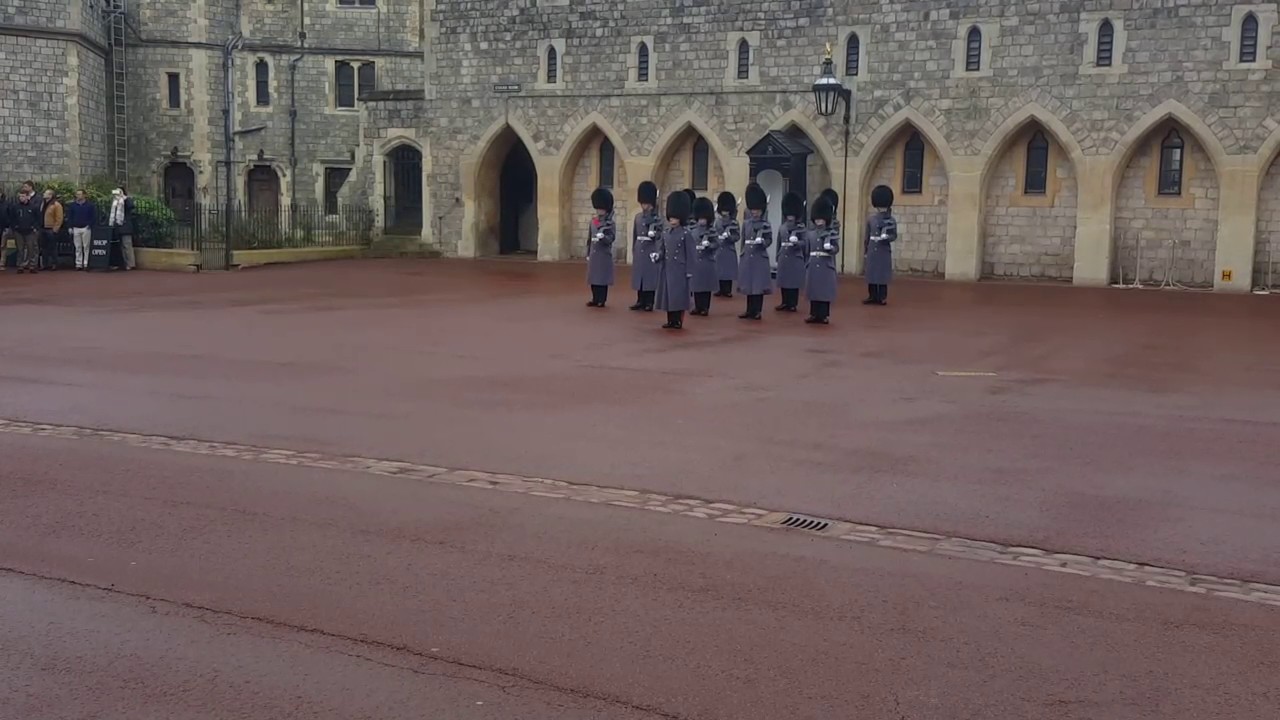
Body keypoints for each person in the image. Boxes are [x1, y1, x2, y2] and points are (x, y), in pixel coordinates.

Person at [653, 190, 694, 330]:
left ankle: (678, 320)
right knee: (668, 296)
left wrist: (689, 271)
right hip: (667, 268)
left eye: (674, 217)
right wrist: (657, 256)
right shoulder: (666, 233)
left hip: (680, 270)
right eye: (670, 217)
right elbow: (662, 250)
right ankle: (670, 319)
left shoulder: (686, 234)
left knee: (678, 297)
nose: (672, 220)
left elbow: (690, 254)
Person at [737, 183, 772, 320]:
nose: (754, 212)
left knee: (758, 286)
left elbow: (769, 240)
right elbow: (743, 240)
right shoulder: (747, 223)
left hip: (759, 256)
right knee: (749, 286)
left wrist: (762, 242)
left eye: (757, 210)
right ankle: (749, 310)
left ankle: (757, 311)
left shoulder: (766, 224)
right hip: (748, 256)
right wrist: (742, 254)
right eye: (753, 210)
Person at [804, 194, 840, 324]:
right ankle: (814, 314)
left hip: (825, 264)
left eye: (821, 220)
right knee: (814, 290)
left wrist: (830, 248)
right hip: (813, 263)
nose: (819, 222)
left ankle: (824, 315)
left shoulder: (831, 233)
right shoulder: (810, 234)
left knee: (824, 291)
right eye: (817, 220)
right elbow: (807, 251)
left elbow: (836, 249)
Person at [630, 181, 661, 311]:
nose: (644, 206)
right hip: (640, 249)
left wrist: (654, 235)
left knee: (650, 277)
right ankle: (640, 300)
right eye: (643, 203)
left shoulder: (657, 219)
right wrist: (634, 249)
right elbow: (635, 235)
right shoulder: (638, 218)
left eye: (647, 203)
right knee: (640, 276)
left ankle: (649, 301)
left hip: (650, 249)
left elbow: (661, 237)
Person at [864, 184, 897, 306]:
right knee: (872, 273)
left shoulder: (891, 220)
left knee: (882, 274)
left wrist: (887, 237)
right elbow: (867, 236)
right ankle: (872, 296)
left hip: (883, 249)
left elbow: (894, 235)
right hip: (873, 248)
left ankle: (882, 297)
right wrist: (866, 251)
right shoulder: (871, 219)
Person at [774, 192, 806, 312]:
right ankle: (784, 302)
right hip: (784, 256)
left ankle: (792, 303)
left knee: (793, 282)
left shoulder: (801, 227)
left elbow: (805, 242)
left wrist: (797, 243)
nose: (790, 217)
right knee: (784, 280)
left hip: (795, 256)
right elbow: (779, 242)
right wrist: (777, 256)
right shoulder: (782, 227)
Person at [585, 187, 616, 307]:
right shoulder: (593, 222)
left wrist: (603, 237)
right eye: (598, 208)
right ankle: (595, 297)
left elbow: (611, 239)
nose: (599, 211)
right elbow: (589, 239)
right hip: (594, 252)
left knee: (602, 278)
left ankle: (601, 299)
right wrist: (587, 253)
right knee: (593, 277)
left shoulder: (610, 223)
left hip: (603, 253)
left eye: (601, 208)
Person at [689, 196, 718, 316]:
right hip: (696, 260)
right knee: (696, 286)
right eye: (700, 218)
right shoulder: (692, 230)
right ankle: (697, 306)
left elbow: (717, 243)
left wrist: (709, 245)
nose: (702, 221)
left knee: (706, 287)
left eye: (704, 219)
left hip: (707, 260)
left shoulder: (712, 231)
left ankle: (705, 307)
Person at [712, 192, 739, 298]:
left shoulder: (734, 223)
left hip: (729, 248)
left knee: (728, 271)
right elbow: (713, 233)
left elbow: (737, 237)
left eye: (727, 211)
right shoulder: (717, 222)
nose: (725, 213)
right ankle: (719, 289)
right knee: (719, 270)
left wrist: (729, 237)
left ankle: (727, 290)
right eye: (723, 210)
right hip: (719, 248)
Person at [10, 188, 42, 274]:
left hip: (30, 231)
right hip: (18, 231)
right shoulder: (15, 207)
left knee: (32, 248)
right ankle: (20, 265)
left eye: (23, 196)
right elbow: (12, 218)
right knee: (20, 249)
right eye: (20, 196)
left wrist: (35, 227)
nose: (21, 198)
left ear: (28, 197)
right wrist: (14, 227)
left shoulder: (33, 207)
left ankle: (32, 265)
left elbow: (38, 218)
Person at [108, 187, 136, 270]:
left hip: (125, 226)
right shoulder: (115, 202)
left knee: (127, 245)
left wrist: (124, 198)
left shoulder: (126, 200)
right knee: (119, 246)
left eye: (119, 191)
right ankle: (122, 263)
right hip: (117, 226)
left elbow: (131, 206)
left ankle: (130, 263)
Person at [67, 189, 95, 270]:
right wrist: (70, 227)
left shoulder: (90, 205)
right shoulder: (73, 205)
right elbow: (70, 217)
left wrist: (89, 225)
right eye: (77, 194)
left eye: (80, 194)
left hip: (86, 228)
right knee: (77, 247)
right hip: (76, 228)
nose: (78, 196)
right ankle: (78, 264)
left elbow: (93, 216)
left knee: (86, 246)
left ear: (84, 195)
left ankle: (86, 263)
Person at [40, 189, 64, 271]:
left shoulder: (56, 205)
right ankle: (44, 264)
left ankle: (54, 264)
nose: (43, 194)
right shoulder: (42, 203)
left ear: (50, 195)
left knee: (53, 248)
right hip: (43, 228)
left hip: (51, 229)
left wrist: (55, 229)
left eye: (45, 193)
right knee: (44, 248)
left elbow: (59, 218)